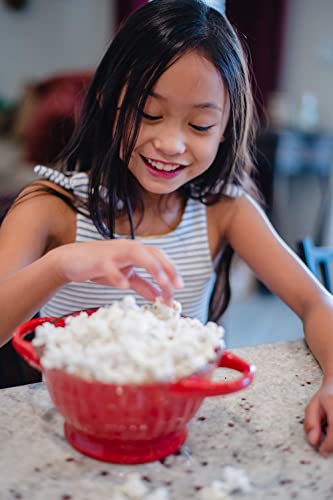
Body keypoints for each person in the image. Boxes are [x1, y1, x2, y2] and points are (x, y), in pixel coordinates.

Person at [0, 0, 333, 456]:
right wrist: (60, 265)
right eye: (149, 114)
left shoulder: (224, 210)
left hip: (177, 428)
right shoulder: (50, 207)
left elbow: (316, 303)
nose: (170, 143)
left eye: (199, 124)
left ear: (225, 129)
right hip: (66, 429)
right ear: (107, 101)